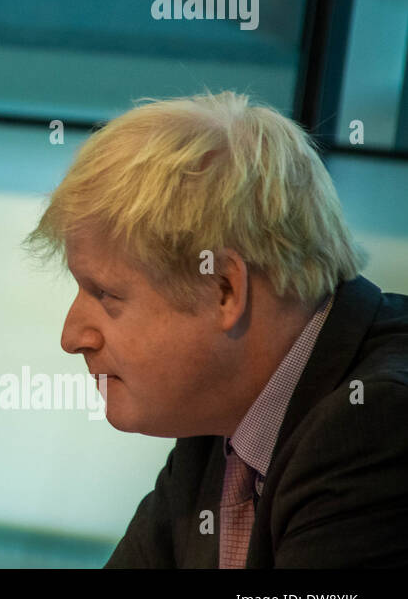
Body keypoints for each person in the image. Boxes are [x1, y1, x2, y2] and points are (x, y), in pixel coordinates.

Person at [22, 90, 408, 567]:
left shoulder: (377, 420)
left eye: (105, 294)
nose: (73, 336)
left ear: (224, 287)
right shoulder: (220, 414)